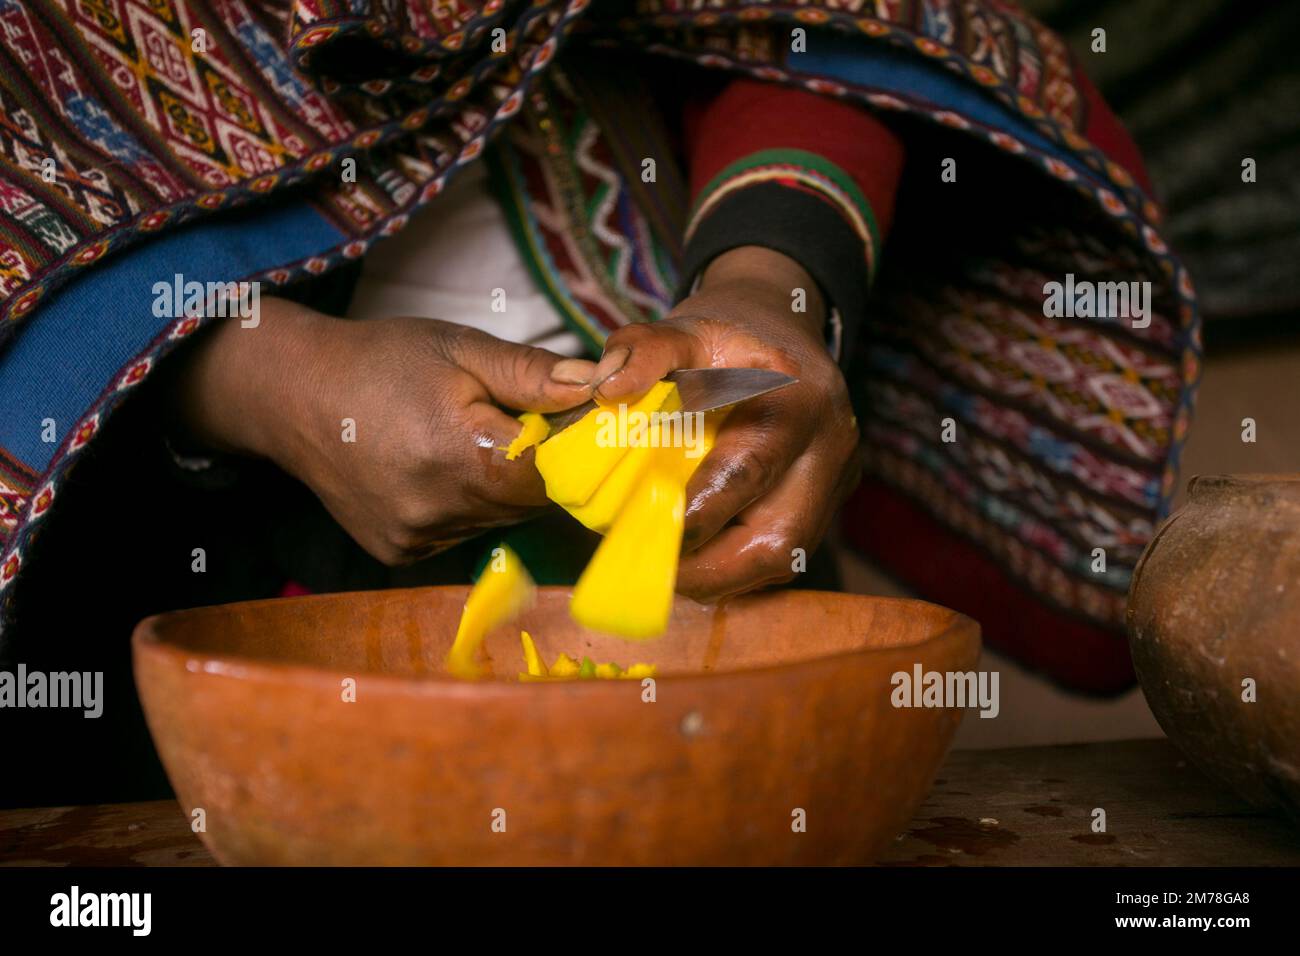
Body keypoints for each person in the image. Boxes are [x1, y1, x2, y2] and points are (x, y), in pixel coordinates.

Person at [0, 1, 1200, 804]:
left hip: (702, 524)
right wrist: (257, 376)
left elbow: (821, 26)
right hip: (208, 587)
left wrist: (772, 278)